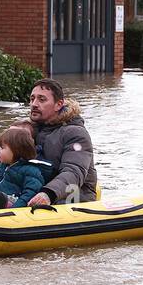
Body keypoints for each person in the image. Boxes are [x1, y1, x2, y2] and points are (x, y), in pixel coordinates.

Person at [27, 78, 97, 206]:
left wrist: (48, 193)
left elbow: (74, 171)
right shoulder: (29, 130)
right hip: (36, 190)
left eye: (41, 100)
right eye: (32, 99)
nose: (34, 104)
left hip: (73, 199)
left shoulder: (76, 134)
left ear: (58, 105)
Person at [0, 123, 53, 209]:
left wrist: (15, 209)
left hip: (13, 208)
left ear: (16, 150)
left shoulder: (30, 171)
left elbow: (30, 193)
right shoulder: (0, 168)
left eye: (2, 148)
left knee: (5, 199)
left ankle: (3, 205)